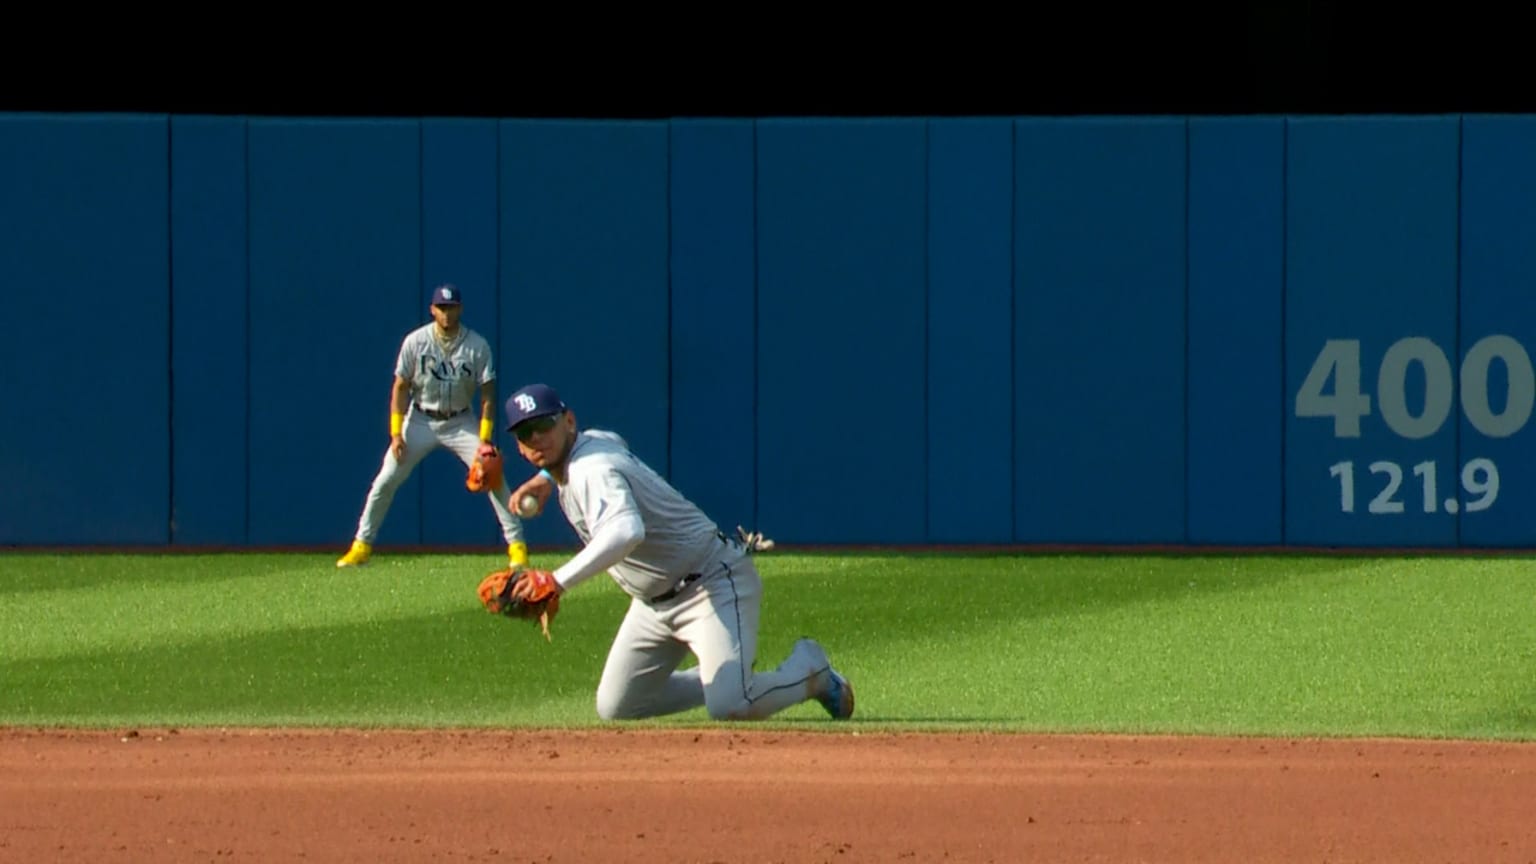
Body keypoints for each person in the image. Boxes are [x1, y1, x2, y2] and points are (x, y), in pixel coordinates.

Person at [501, 382, 854, 722]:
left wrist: (557, 580)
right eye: (524, 433)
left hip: (710, 583)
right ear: (518, 445)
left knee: (731, 705)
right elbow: (613, 439)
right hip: (653, 606)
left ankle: (811, 671)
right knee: (618, 705)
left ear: (568, 421)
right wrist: (547, 478)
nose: (536, 439)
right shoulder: (591, 445)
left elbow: (626, 532)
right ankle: (725, 672)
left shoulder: (590, 471)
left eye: (544, 425)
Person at [336, 284, 529, 568]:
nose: (447, 313)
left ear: (460, 309)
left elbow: (488, 394)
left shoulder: (477, 345)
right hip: (420, 419)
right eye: (442, 307)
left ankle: (517, 547)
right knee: (385, 480)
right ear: (432, 309)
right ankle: (361, 545)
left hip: (461, 421)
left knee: (492, 476)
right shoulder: (415, 342)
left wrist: (485, 441)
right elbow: (400, 388)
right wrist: (396, 433)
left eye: (451, 307)